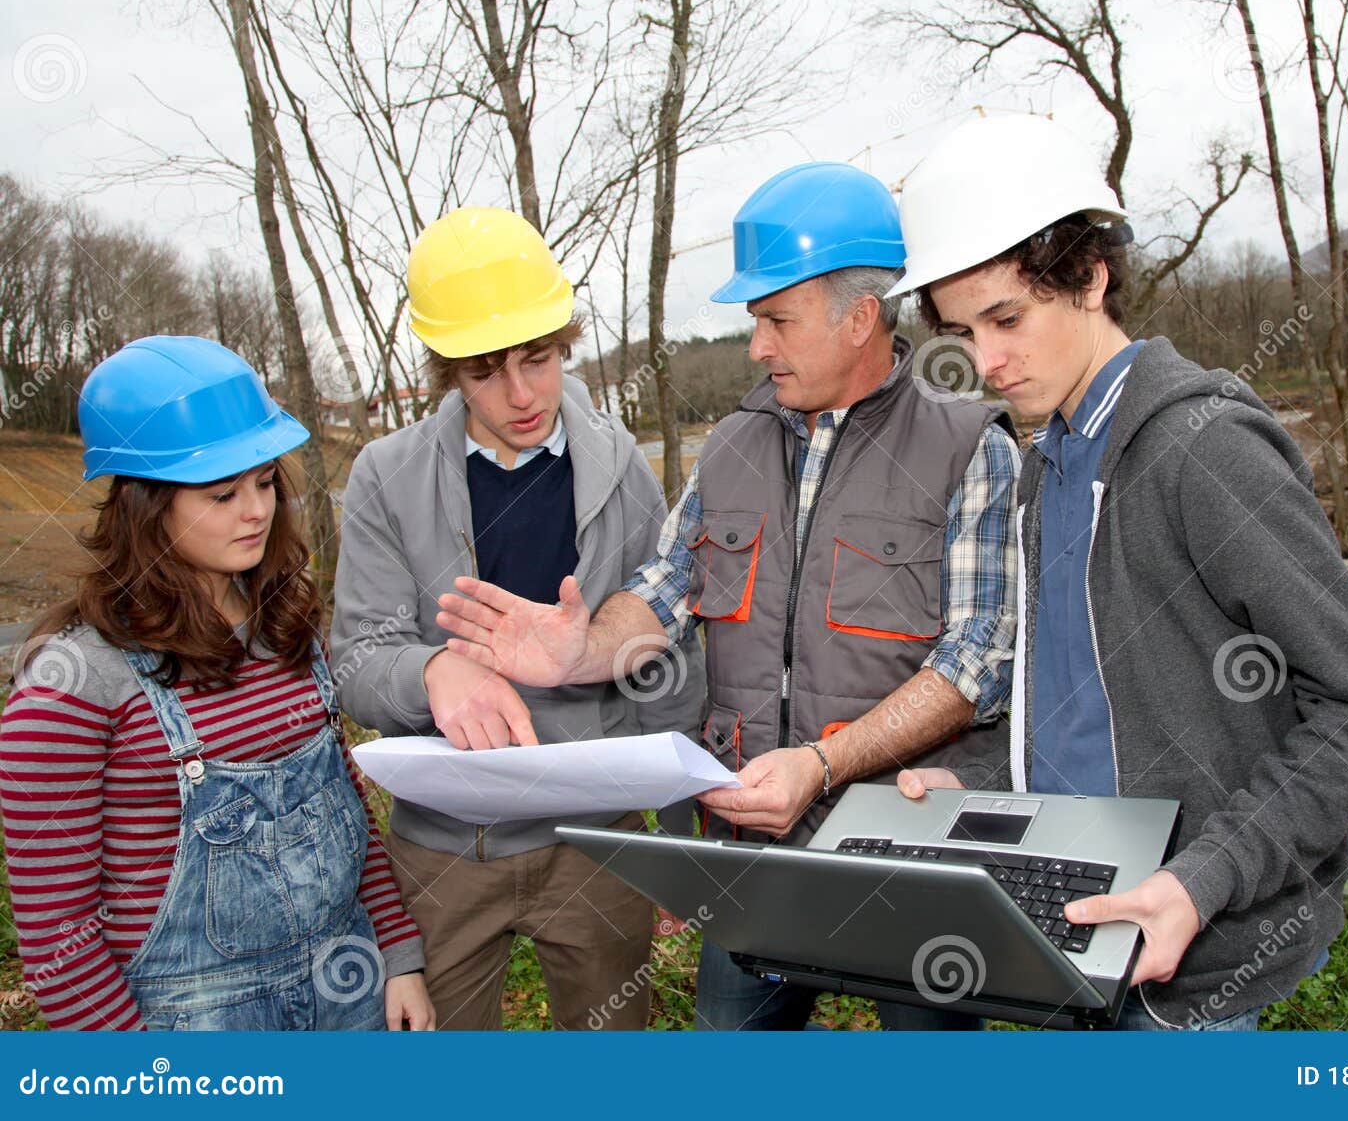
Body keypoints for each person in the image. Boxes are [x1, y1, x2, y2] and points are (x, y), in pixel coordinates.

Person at [434, 163, 1020, 1031]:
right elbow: (665, 589)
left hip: (905, 849)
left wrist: (823, 765)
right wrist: (583, 650)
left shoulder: (970, 447)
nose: (757, 347)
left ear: (860, 317)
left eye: (776, 321)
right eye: (754, 323)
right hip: (755, 858)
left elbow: (977, 662)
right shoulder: (732, 447)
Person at [889, 114, 1348, 1030]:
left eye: (1007, 318)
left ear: (1091, 277)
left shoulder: (1201, 450)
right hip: (1079, 927)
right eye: (960, 330)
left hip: (1193, 967)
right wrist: (979, 769)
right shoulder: (1044, 458)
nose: (985, 362)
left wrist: (1201, 878)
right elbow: (1082, 685)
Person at [330, 206, 704, 1031]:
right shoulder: (386, 479)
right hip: (446, 847)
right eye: (485, 371)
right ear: (446, 371)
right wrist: (433, 670)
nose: (522, 393)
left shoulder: (622, 474)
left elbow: (666, 656)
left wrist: (678, 838)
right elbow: (356, 659)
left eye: (538, 359)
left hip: (599, 838)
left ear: (564, 341)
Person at [0, 336, 433, 1031]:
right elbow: (59, 934)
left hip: (351, 992)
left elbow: (347, 810)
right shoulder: (72, 686)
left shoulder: (287, 628)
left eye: (265, 482)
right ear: (147, 506)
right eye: (223, 492)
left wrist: (400, 954)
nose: (257, 510)